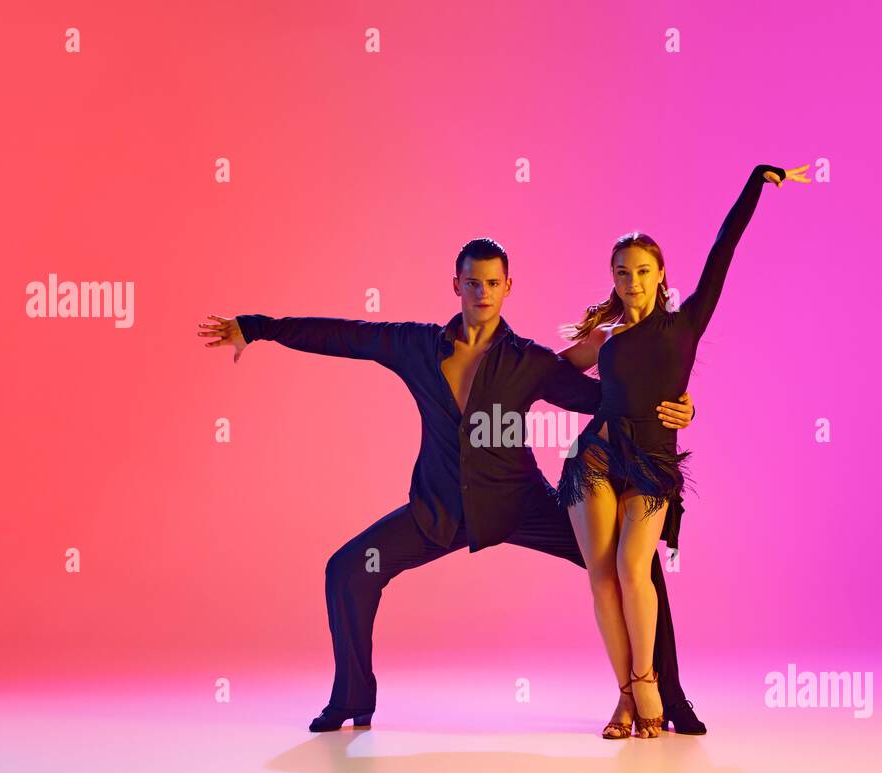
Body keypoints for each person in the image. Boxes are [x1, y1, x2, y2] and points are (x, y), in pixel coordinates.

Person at [198, 238, 711, 733]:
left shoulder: (528, 362)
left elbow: (608, 398)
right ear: (456, 285)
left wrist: (674, 409)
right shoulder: (416, 345)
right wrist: (256, 327)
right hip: (439, 510)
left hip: (521, 506)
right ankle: (352, 695)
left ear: (508, 286)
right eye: (472, 283)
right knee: (348, 569)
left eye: (492, 282)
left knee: (635, 568)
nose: (482, 293)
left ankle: (668, 696)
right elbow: (344, 335)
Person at [556, 163, 810, 738]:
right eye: (623, 273)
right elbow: (551, 374)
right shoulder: (606, 337)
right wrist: (492, 363)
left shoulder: (686, 322)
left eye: (643, 271)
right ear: (613, 279)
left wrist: (755, 183)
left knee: (632, 567)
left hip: (650, 461)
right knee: (600, 574)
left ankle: (646, 682)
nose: (633, 281)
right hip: (594, 457)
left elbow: (725, 249)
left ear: (660, 273)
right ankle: (623, 699)